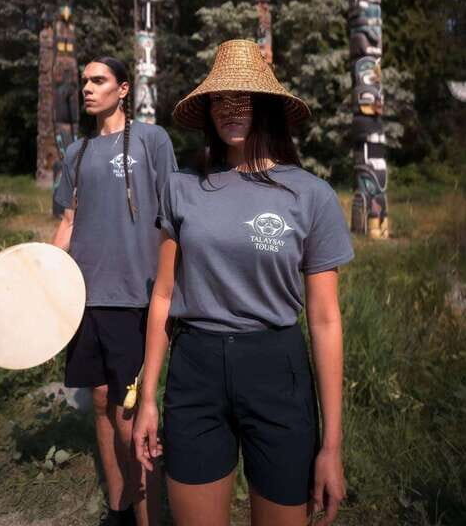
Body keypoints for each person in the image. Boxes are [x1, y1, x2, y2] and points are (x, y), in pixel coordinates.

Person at [133, 39, 354, 526]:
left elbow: (324, 319)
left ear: (268, 106)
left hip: (276, 369)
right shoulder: (181, 186)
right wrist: (148, 397)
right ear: (207, 108)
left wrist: (332, 445)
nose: (231, 111)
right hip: (195, 371)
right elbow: (164, 296)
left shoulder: (311, 195)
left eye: (245, 98)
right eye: (220, 99)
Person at [52, 56, 177, 526]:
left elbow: (172, 215)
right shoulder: (76, 153)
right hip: (84, 299)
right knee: (101, 403)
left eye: (98, 80)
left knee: (130, 415)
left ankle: (151, 518)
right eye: (84, 81)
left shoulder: (152, 140)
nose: (87, 88)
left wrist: (175, 286)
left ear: (123, 89)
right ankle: (119, 510)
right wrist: (45, 288)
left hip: (135, 296)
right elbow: (67, 223)